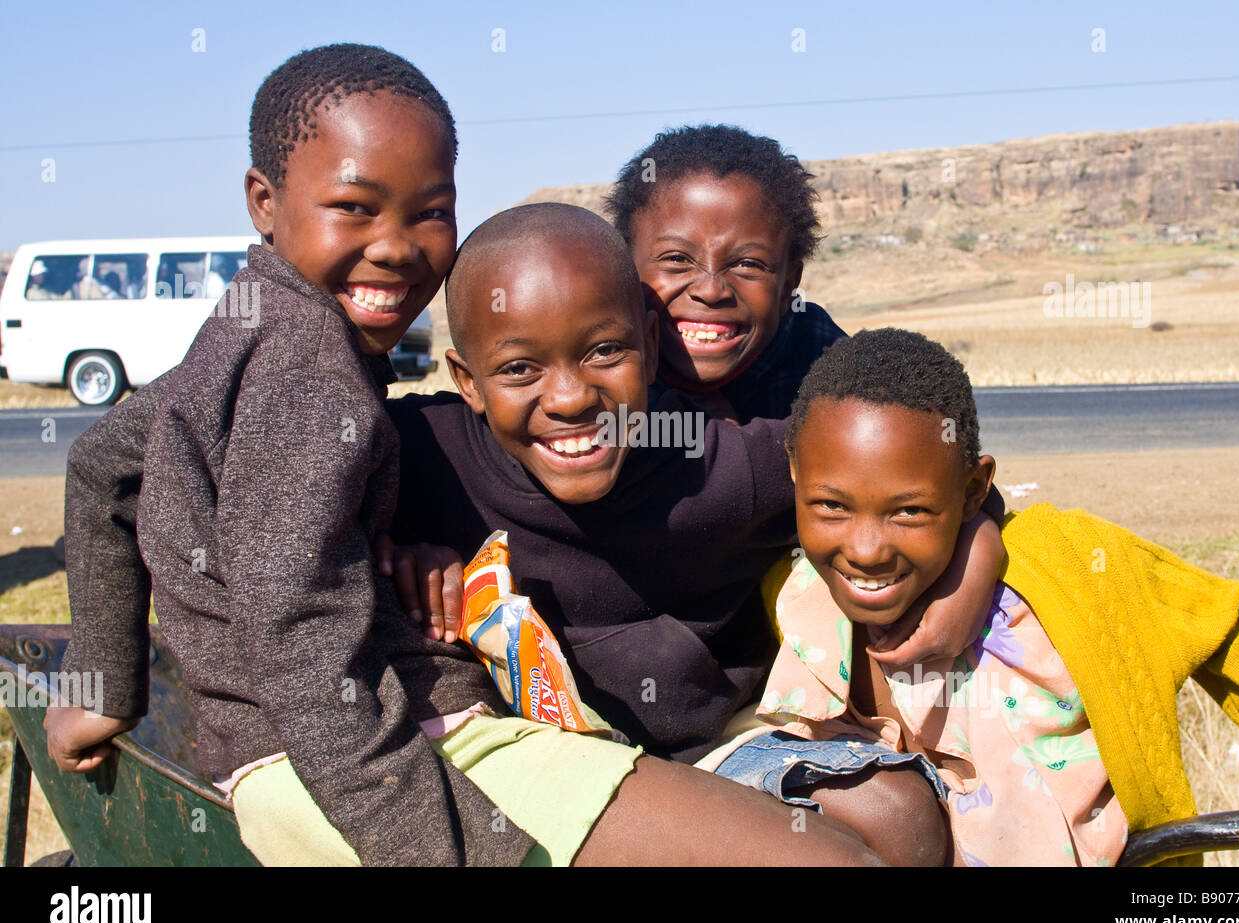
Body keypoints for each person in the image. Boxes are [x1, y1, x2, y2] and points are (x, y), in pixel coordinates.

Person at [44, 45, 899, 868]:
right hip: (381, 753)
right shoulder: (313, 373)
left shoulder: (245, 326)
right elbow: (299, 638)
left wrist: (102, 684)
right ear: (264, 203)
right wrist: (439, 846)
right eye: (354, 208)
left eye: (428, 212)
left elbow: (101, 466)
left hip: (361, 731)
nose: (394, 245)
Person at [385, 202, 1012, 863]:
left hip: (715, 753)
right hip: (550, 775)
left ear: (652, 346)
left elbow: (930, 481)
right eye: (519, 369)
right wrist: (401, 551)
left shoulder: (718, 466)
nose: (570, 397)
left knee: (897, 810)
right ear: (467, 381)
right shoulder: (423, 457)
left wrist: (975, 570)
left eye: (604, 351)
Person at [722, 327, 1239, 866]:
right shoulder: (798, 596)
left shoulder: (1076, 570)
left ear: (974, 490)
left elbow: (1232, 627)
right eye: (832, 506)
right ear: (795, 475)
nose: (868, 549)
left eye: (910, 511)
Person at [605, 124, 845, 423]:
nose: (710, 291)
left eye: (747, 264)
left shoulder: (825, 366)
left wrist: (739, 447)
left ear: (788, 287)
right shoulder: (597, 363)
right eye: (677, 258)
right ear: (625, 268)